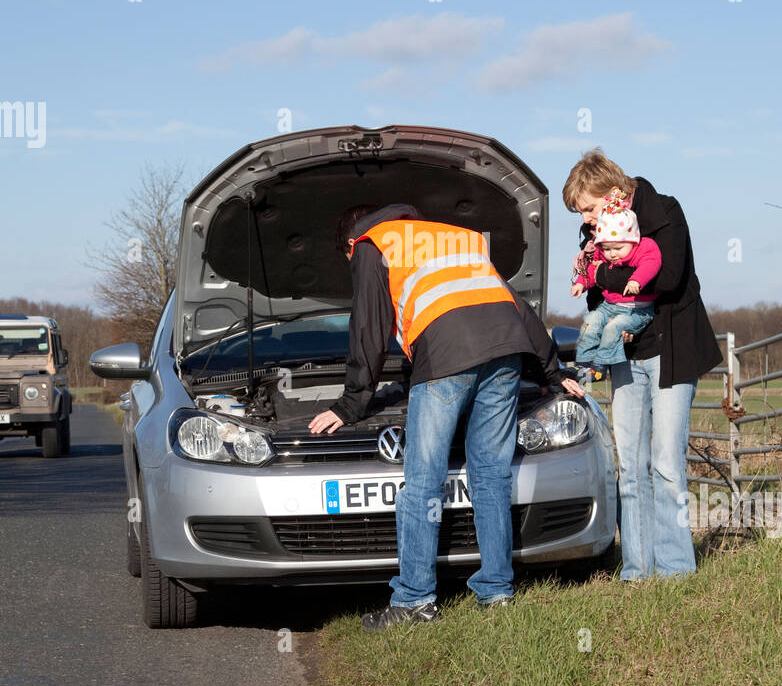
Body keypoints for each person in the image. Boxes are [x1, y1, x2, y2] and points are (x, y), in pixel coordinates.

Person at [308, 202, 585, 630]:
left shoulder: (371, 243)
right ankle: (496, 593)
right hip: (505, 353)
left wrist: (351, 404)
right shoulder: (454, 236)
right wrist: (552, 371)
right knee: (491, 475)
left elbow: (369, 327)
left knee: (423, 481)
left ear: (349, 243)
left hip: (446, 356)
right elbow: (515, 306)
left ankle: (415, 601)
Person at [563, 152, 721, 581]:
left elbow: (668, 278)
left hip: (672, 352)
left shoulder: (664, 211)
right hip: (625, 357)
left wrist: (603, 278)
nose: (590, 222)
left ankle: (675, 572)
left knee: (667, 465)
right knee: (630, 467)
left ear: (613, 193)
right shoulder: (594, 235)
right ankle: (636, 570)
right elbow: (595, 294)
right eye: (583, 215)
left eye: (591, 209)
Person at [571, 189, 661, 371]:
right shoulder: (604, 251)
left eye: (617, 248)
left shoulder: (644, 248)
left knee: (614, 328)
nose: (611, 254)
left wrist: (637, 280)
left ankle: (601, 364)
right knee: (591, 320)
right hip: (609, 305)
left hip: (637, 310)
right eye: (606, 249)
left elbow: (652, 263)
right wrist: (581, 282)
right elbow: (592, 267)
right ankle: (584, 360)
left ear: (632, 240)